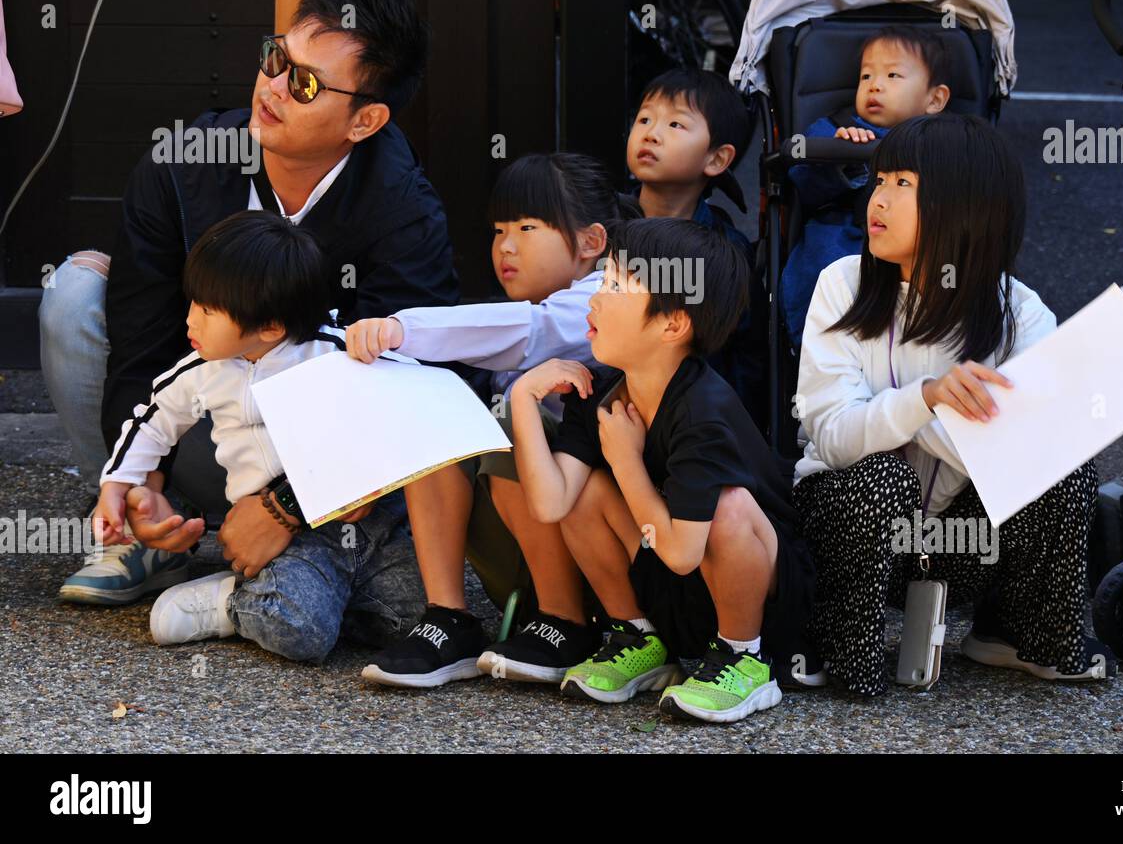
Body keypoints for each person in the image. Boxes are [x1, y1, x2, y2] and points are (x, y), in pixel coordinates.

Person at [46, 0, 458, 607]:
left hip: (328, 475)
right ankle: (134, 530)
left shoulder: (402, 208)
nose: (273, 88)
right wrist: (141, 480)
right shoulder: (184, 161)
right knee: (75, 293)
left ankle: (295, 559)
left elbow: (407, 388)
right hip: (200, 421)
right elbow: (141, 341)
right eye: (276, 59)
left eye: (306, 83)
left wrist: (286, 505)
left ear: (365, 119)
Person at [792, 114, 1115, 697]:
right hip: (856, 535)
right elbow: (833, 437)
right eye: (879, 180)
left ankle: (1021, 634)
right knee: (876, 476)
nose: (878, 199)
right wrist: (928, 399)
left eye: (902, 185)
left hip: (963, 547)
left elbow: (1038, 448)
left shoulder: (1020, 311)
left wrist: (918, 426)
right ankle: (843, 641)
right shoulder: (842, 283)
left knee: (1066, 472)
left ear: (964, 206)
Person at [342, 153, 638, 687]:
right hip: (537, 542)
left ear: (592, 242)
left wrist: (402, 329)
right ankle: (448, 619)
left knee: (512, 430)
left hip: (611, 563)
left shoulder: (605, 295)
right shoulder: (543, 305)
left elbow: (533, 330)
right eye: (499, 229)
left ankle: (566, 621)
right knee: (435, 415)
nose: (505, 246)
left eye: (527, 227)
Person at [509, 218, 818, 724]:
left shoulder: (704, 410)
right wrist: (522, 397)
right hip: (677, 588)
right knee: (583, 491)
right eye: (600, 281)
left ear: (672, 324)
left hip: (759, 603)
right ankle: (640, 636)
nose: (595, 299)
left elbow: (680, 554)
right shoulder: (602, 393)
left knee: (728, 506)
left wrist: (627, 459)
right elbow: (551, 503)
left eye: (613, 285)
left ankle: (744, 661)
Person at [96, 212, 425, 663]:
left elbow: (413, 404)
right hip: (284, 536)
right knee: (298, 631)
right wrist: (117, 485)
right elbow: (152, 421)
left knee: (421, 622)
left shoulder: (337, 354)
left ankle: (313, 601)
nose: (190, 319)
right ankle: (232, 602)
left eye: (208, 310)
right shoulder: (202, 370)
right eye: (193, 302)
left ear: (270, 326)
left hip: (377, 523)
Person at [782, 27, 951, 348]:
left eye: (893, 75)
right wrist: (839, 156)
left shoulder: (943, 140)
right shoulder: (834, 129)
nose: (875, 85)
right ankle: (815, 347)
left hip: (919, 238)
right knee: (824, 266)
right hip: (844, 230)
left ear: (935, 98)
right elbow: (802, 185)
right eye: (866, 76)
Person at [625, 68, 765, 420]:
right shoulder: (602, 227)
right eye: (644, 119)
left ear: (717, 159)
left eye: (675, 125)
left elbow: (745, 358)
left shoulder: (725, 249)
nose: (652, 134)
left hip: (692, 419)